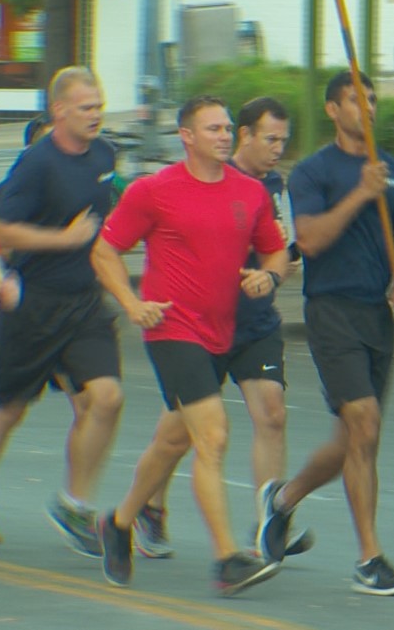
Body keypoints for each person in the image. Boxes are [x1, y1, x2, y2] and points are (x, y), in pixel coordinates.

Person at [90, 94, 289, 596]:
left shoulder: (250, 192)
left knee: (174, 441)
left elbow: (275, 251)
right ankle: (227, 559)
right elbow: (105, 251)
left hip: (224, 331)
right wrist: (132, 306)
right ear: (187, 137)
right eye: (214, 129)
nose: (225, 136)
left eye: (227, 128)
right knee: (213, 436)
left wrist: (268, 277)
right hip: (172, 329)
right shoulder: (153, 191)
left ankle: (118, 522)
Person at [254, 70, 394, 596]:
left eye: (371, 99)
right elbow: (310, 240)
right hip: (332, 311)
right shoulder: (312, 172)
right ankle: (369, 558)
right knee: (364, 425)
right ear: (333, 109)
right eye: (355, 99)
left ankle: (282, 501)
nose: (367, 108)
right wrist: (358, 195)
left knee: (353, 439)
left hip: (377, 314)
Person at [130, 96, 314, 561]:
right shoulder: (192, 182)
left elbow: (286, 253)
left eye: (284, 141)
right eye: (269, 139)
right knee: (181, 434)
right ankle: (147, 507)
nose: (277, 148)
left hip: (253, 322)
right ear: (246, 136)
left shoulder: (272, 187)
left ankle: (268, 524)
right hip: (194, 325)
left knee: (271, 411)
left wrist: (269, 275)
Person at [0, 66, 123, 557]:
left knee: (106, 398)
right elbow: (3, 231)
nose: (96, 115)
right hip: (34, 304)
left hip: (85, 302)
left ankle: (74, 503)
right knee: (8, 409)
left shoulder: (106, 155)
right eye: (86, 107)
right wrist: (61, 240)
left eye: (99, 105)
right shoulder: (36, 164)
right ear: (60, 110)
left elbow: (107, 221)